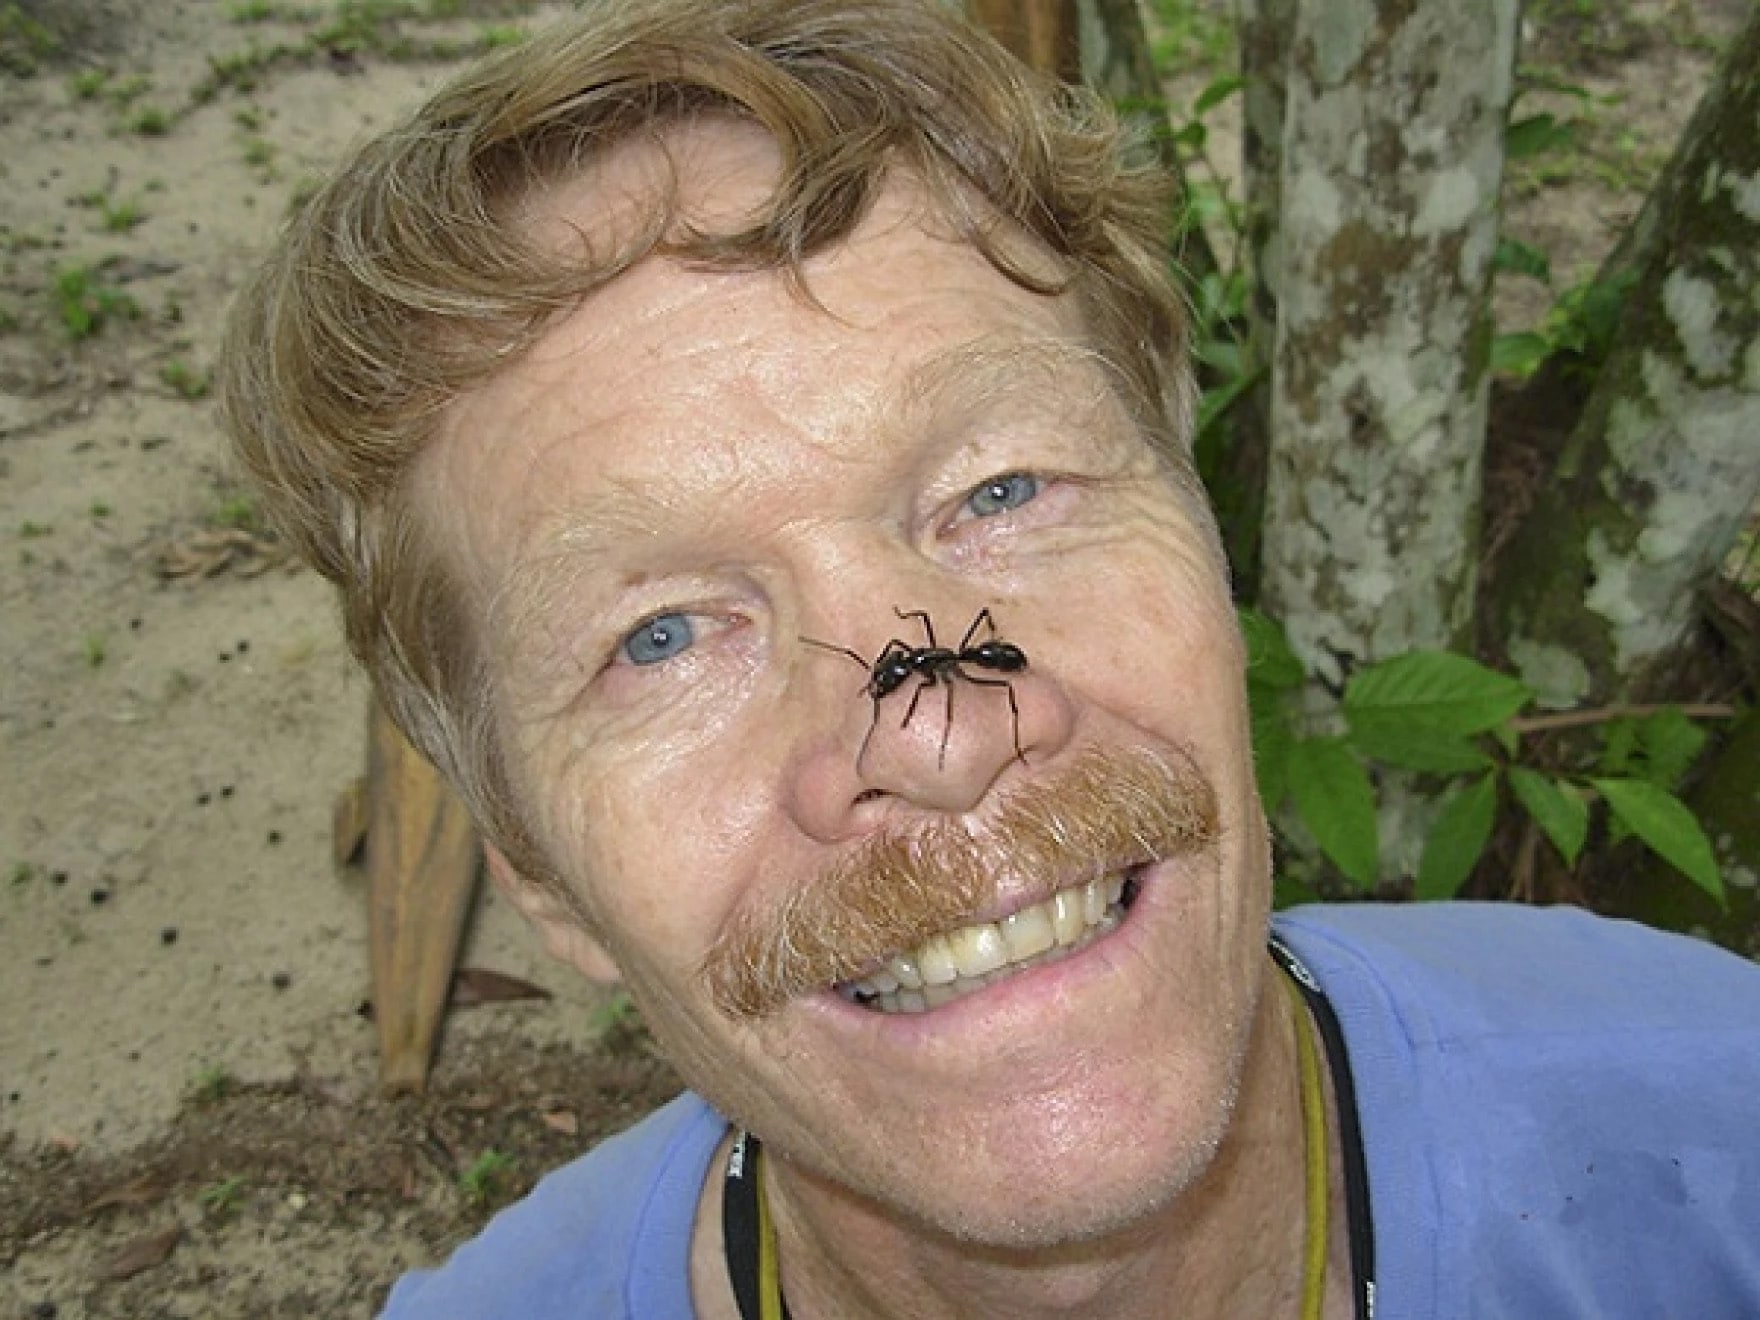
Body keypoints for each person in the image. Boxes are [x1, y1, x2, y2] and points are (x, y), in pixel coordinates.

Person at [219, 2, 1760, 1316]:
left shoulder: (1720, 1118)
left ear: (1212, 558)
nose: (941, 741)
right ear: (543, 878)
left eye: (1004, 490)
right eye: (662, 636)